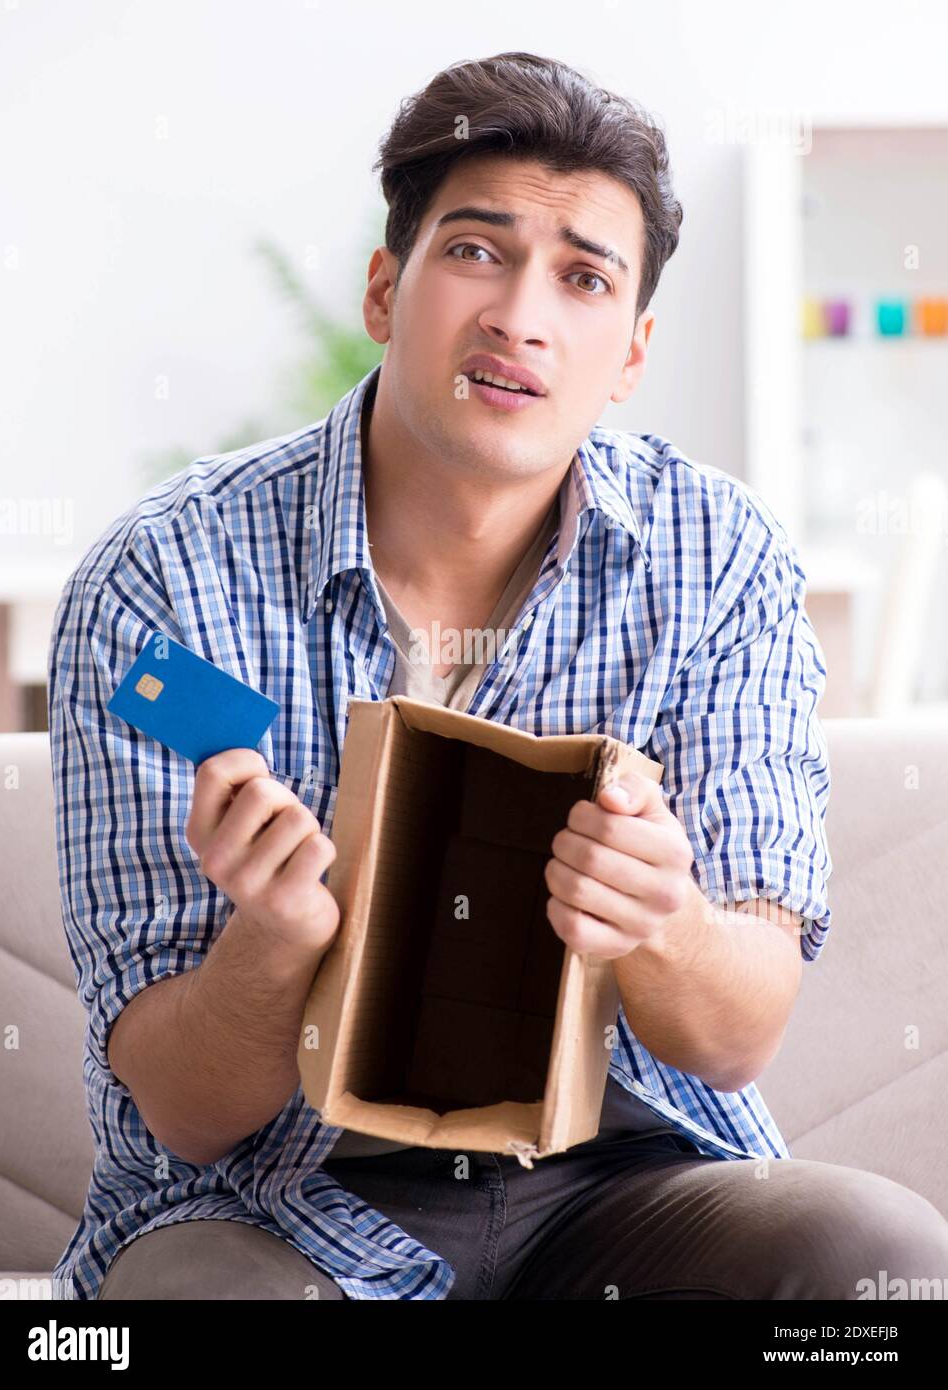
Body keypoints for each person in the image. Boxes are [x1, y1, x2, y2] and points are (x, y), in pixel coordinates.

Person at [49, 51, 948, 1301]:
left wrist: (663, 922)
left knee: (881, 1265)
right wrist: (275, 943)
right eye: (475, 251)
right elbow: (186, 1114)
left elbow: (738, 1034)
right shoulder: (164, 580)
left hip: (625, 1185)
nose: (521, 316)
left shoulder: (718, 560)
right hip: (275, 1199)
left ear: (630, 353)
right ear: (384, 286)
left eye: (583, 277)